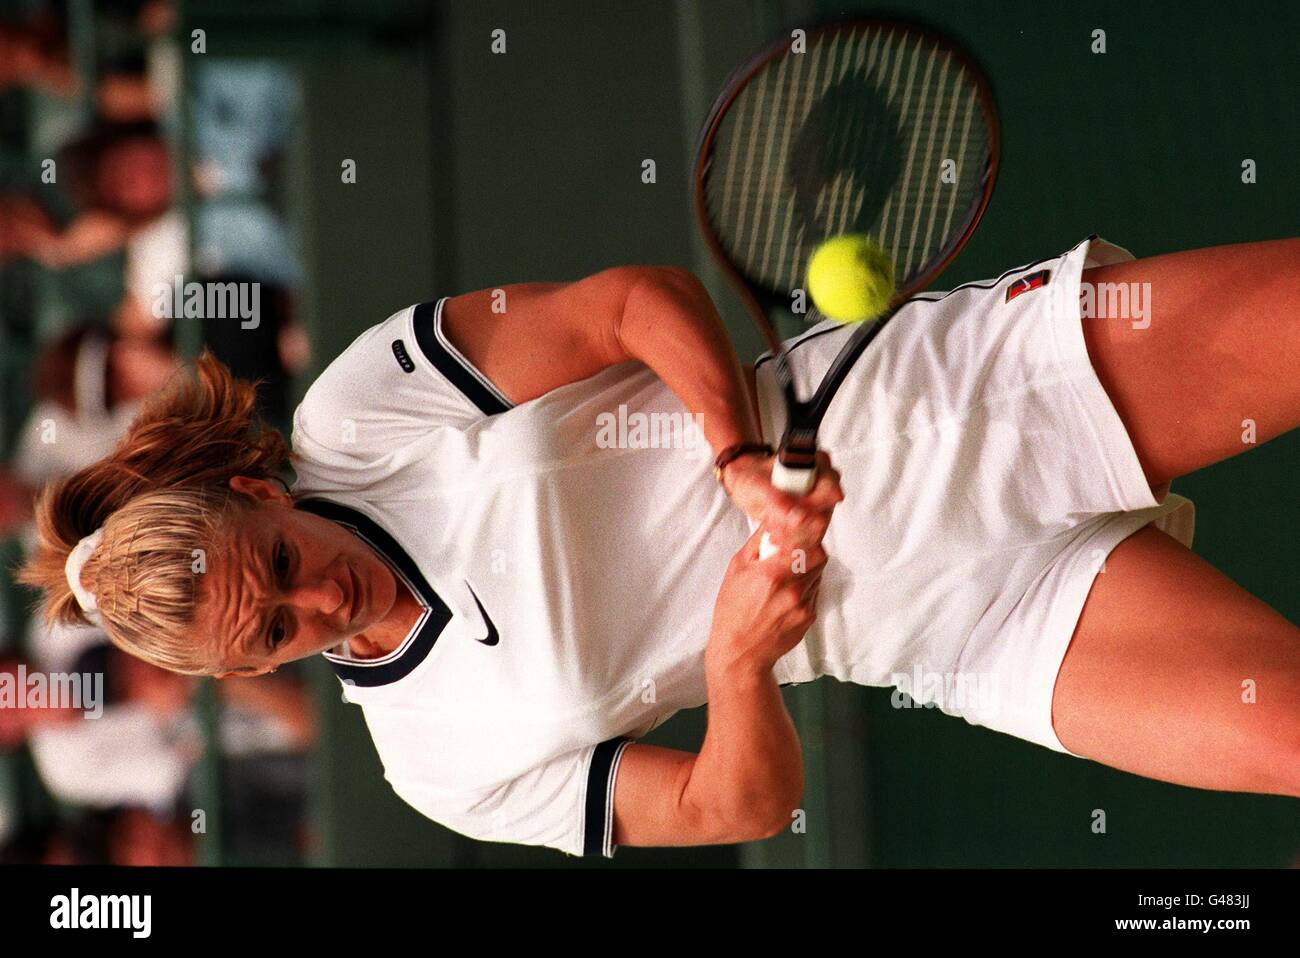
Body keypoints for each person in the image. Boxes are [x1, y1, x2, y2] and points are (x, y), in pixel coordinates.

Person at [16, 235, 1300, 859]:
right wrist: (740, 665)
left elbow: (631, 303)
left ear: (254, 482)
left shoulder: (359, 411)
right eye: (278, 631)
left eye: (281, 562)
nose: (316, 599)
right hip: (964, 628)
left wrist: (739, 456)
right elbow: (737, 803)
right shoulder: (436, 768)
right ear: (244, 673)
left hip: (949, 405)